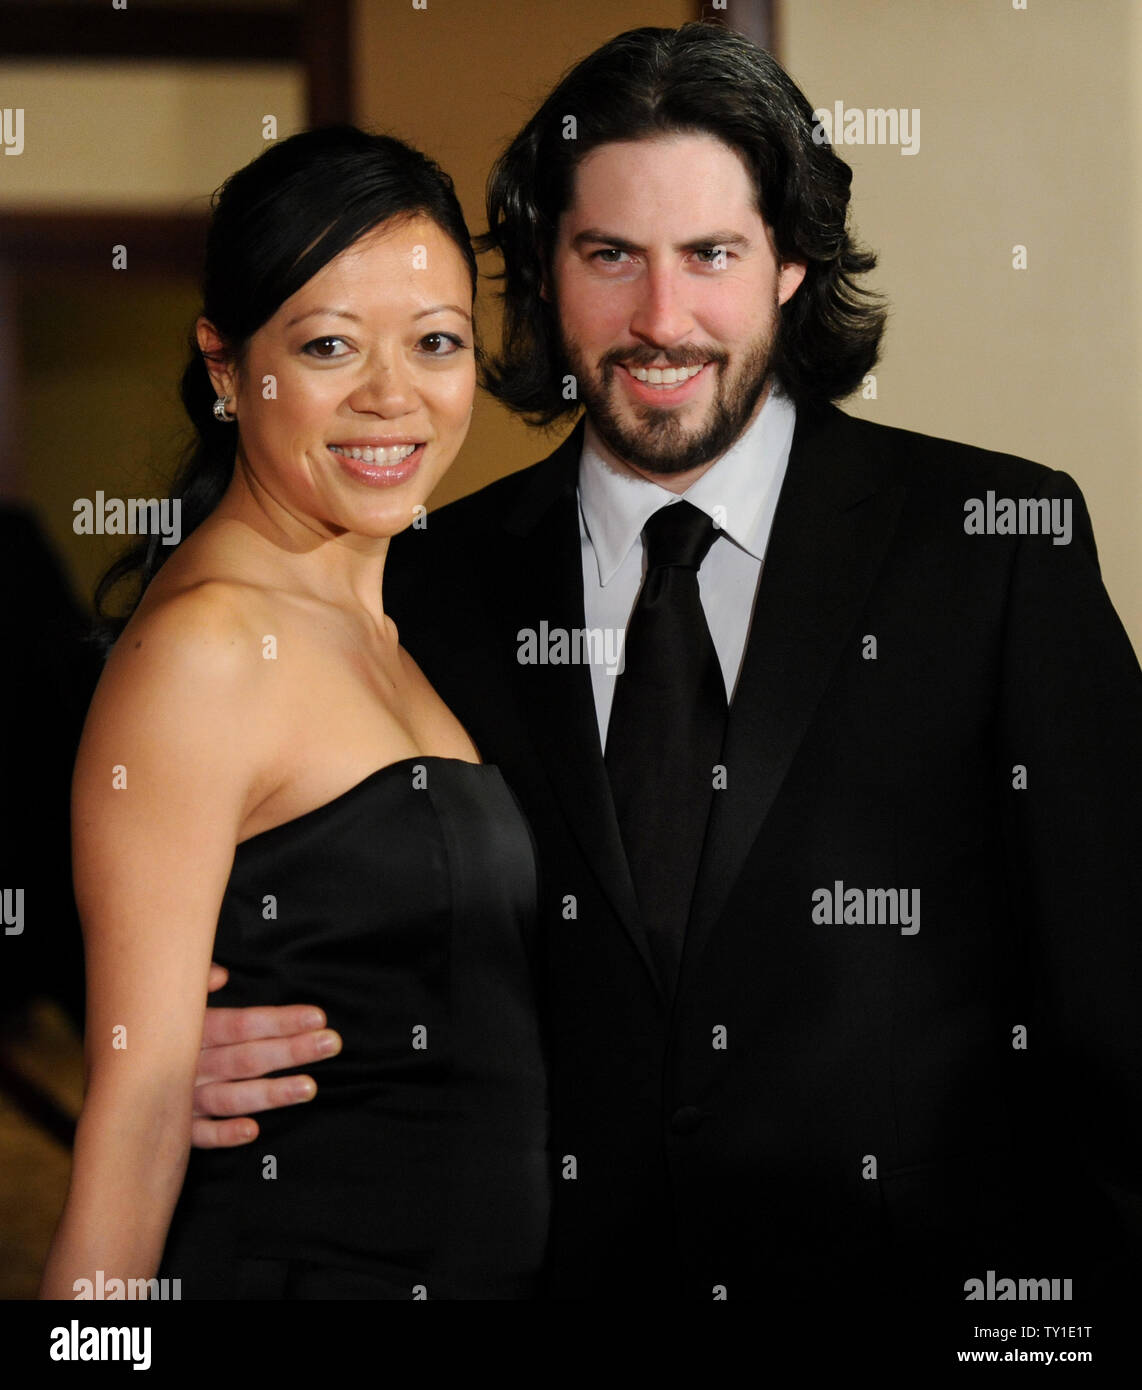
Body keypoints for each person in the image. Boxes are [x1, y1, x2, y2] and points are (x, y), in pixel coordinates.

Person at [191, 25, 1142, 1306]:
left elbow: (1114, 997)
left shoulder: (995, 544)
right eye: (608, 257)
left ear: (791, 259)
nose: (658, 318)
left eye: (710, 255)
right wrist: (181, 1041)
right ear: (542, 269)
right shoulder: (418, 583)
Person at [38, 126, 548, 1301]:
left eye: (434, 343)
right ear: (225, 368)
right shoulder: (207, 646)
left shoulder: (398, 626)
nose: (389, 395)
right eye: (327, 345)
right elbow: (140, 1115)